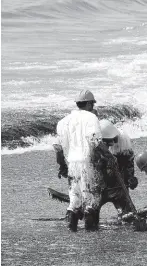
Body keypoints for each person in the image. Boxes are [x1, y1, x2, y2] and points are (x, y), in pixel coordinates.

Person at [55, 89, 103, 232]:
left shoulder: (63, 121)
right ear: (89, 104)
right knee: (91, 200)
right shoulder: (91, 118)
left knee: (74, 200)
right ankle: (91, 233)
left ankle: (72, 231)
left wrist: (62, 166)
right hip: (87, 163)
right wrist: (108, 157)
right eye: (92, 104)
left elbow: (58, 148)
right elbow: (95, 142)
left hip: (72, 164)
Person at [97, 119, 138, 220]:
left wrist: (130, 177)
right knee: (93, 209)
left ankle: (124, 213)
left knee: (127, 213)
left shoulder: (123, 139)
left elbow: (128, 161)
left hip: (119, 180)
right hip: (103, 179)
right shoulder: (95, 138)